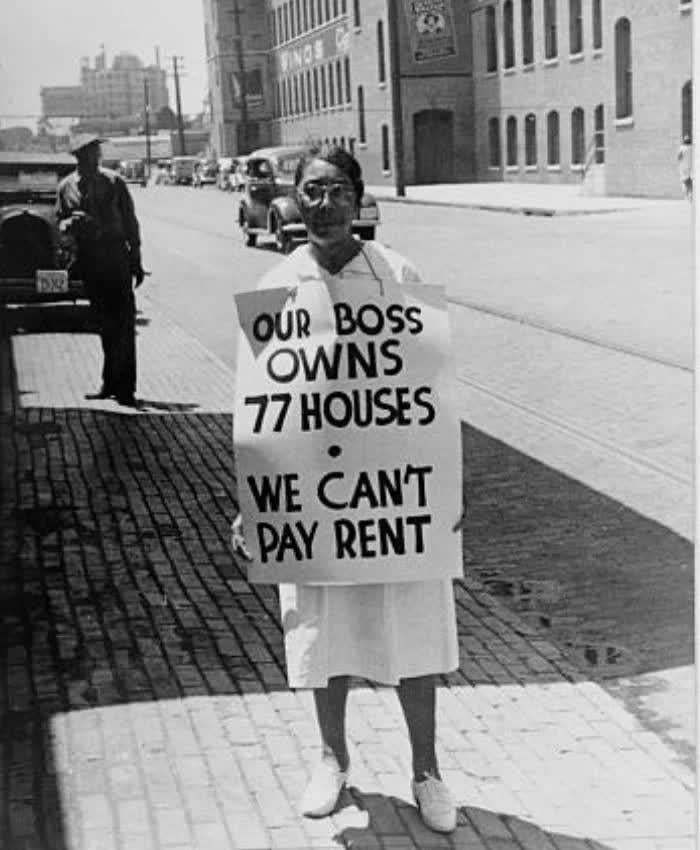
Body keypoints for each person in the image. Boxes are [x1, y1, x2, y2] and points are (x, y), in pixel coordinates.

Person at [232, 145, 461, 834]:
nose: (324, 202)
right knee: (323, 634)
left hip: (394, 503)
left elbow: (430, 395)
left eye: (336, 189)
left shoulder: (398, 275)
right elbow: (259, 413)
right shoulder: (277, 287)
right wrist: (253, 503)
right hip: (316, 507)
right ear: (296, 200)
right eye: (311, 190)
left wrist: (444, 486)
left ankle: (427, 771)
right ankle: (332, 759)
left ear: (358, 199)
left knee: (413, 629)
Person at [56, 134, 146, 406]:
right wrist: (70, 223)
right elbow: (59, 221)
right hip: (90, 262)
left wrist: (136, 261)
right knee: (105, 326)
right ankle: (109, 383)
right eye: (89, 155)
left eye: (97, 154)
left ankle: (126, 389)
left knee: (123, 325)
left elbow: (130, 222)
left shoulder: (114, 182)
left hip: (115, 258)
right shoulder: (66, 187)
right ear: (78, 158)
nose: (95, 159)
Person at [678, 134, 693, 201]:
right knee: (689, 181)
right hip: (690, 166)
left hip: (683, 167)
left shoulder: (682, 148)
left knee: (684, 181)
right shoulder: (692, 147)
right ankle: (690, 194)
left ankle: (687, 195)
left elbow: (679, 157)